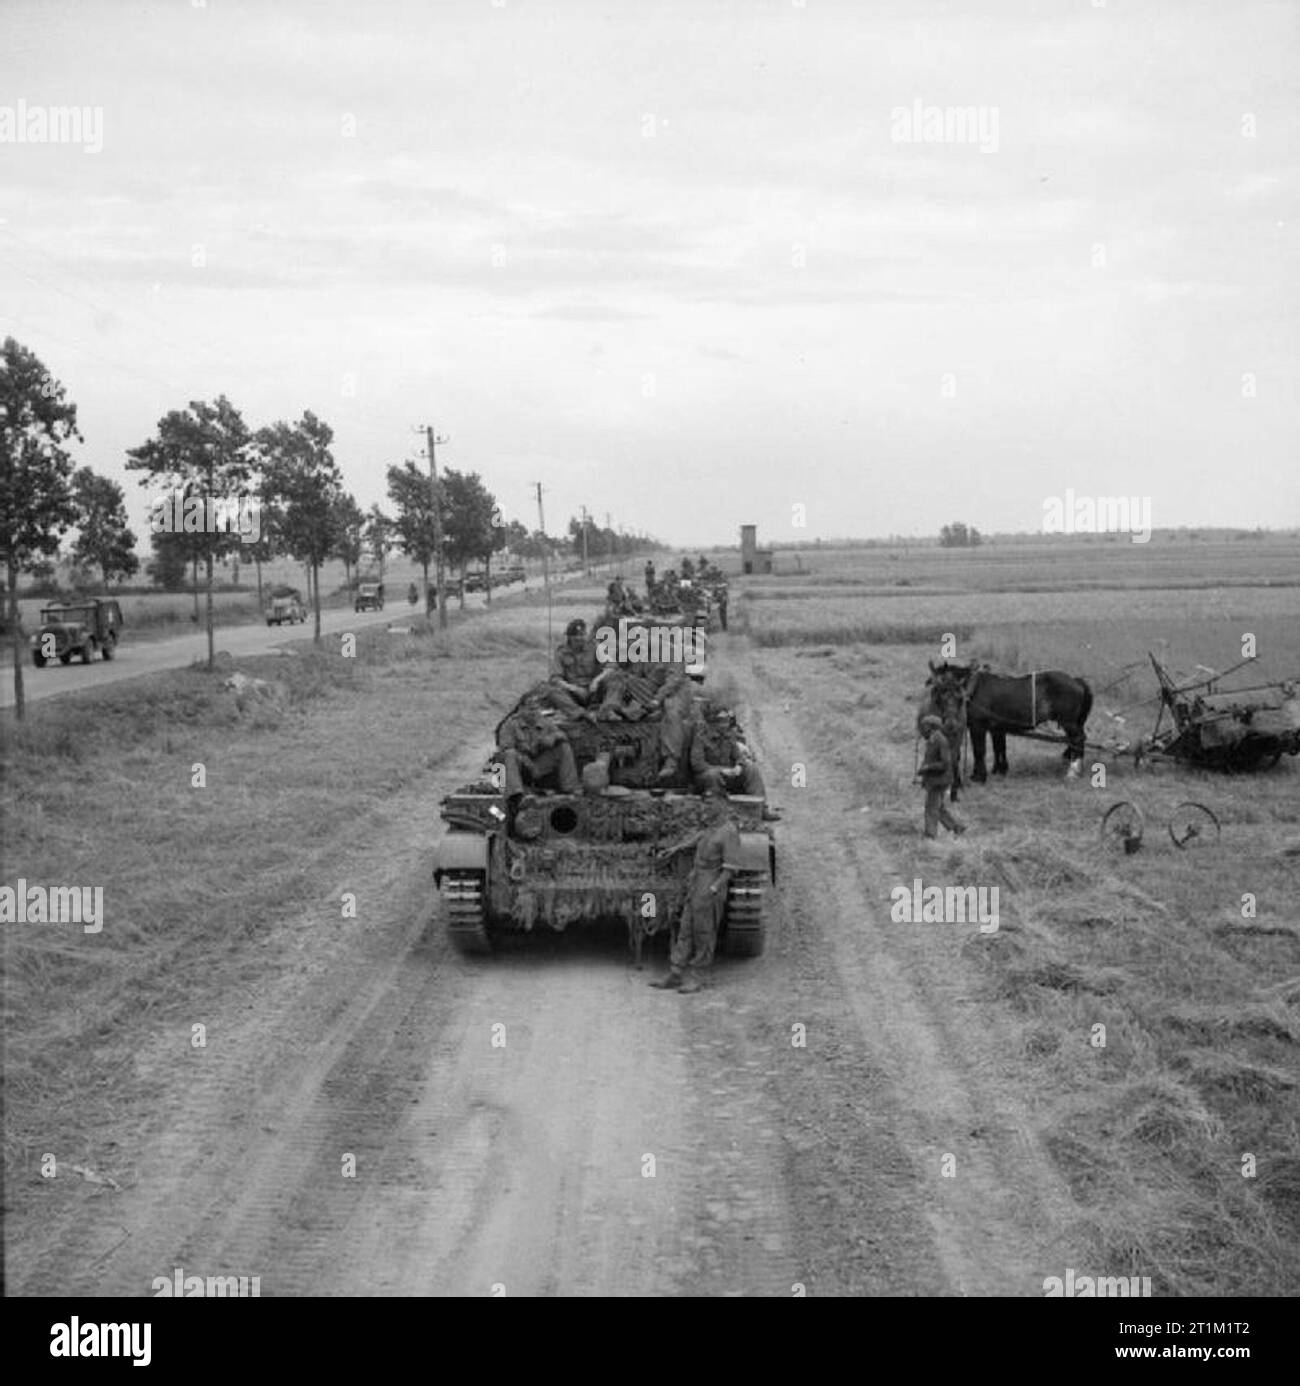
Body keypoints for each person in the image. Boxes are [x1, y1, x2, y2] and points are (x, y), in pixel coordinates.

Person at [650, 786, 743, 994]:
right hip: (697, 881)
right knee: (685, 929)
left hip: (710, 883)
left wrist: (714, 888)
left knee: (704, 932)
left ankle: (698, 977)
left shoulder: (729, 832)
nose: (706, 808)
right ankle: (675, 973)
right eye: (705, 804)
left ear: (722, 804)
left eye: (710, 804)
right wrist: (675, 848)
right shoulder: (711, 827)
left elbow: (731, 868)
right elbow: (697, 839)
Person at [689, 704, 778, 818]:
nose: (725, 725)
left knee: (751, 768)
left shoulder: (729, 735)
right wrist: (722, 770)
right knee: (713, 775)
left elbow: (738, 756)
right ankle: (717, 813)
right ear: (712, 723)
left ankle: (761, 808)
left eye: (726, 721)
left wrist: (739, 766)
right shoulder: (701, 738)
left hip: (729, 775)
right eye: (721, 722)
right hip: (708, 780)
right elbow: (697, 764)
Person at [496, 692, 580, 798]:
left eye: (536, 709)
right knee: (509, 754)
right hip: (521, 768)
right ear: (521, 709)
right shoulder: (510, 724)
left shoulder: (544, 722)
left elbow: (562, 735)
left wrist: (552, 738)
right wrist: (523, 758)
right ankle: (516, 794)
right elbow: (505, 749)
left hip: (539, 765)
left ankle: (570, 789)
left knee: (563, 747)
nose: (533, 713)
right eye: (530, 709)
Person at [919, 714, 967, 839]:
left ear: (932, 727)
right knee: (939, 807)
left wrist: (928, 767)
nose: (923, 728)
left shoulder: (940, 741)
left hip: (939, 780)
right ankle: (957, 827)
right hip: (936, 779)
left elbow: (945, 763)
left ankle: (930, 834)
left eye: (925, 726)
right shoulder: (933, 739)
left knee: (931, 808)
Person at [550, 618, 610, 717]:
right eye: (576, 637)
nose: (579, 639)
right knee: (552, 691)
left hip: (594, 689)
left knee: (616, 679)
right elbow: (555, 678)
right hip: (574, 693)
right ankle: (580, 713)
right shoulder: (561, 652)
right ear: (569, 637)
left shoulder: (594, 647)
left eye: (582, 635)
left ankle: (608, 709)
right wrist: (573, 688)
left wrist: (597, 681)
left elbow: (610, 666)